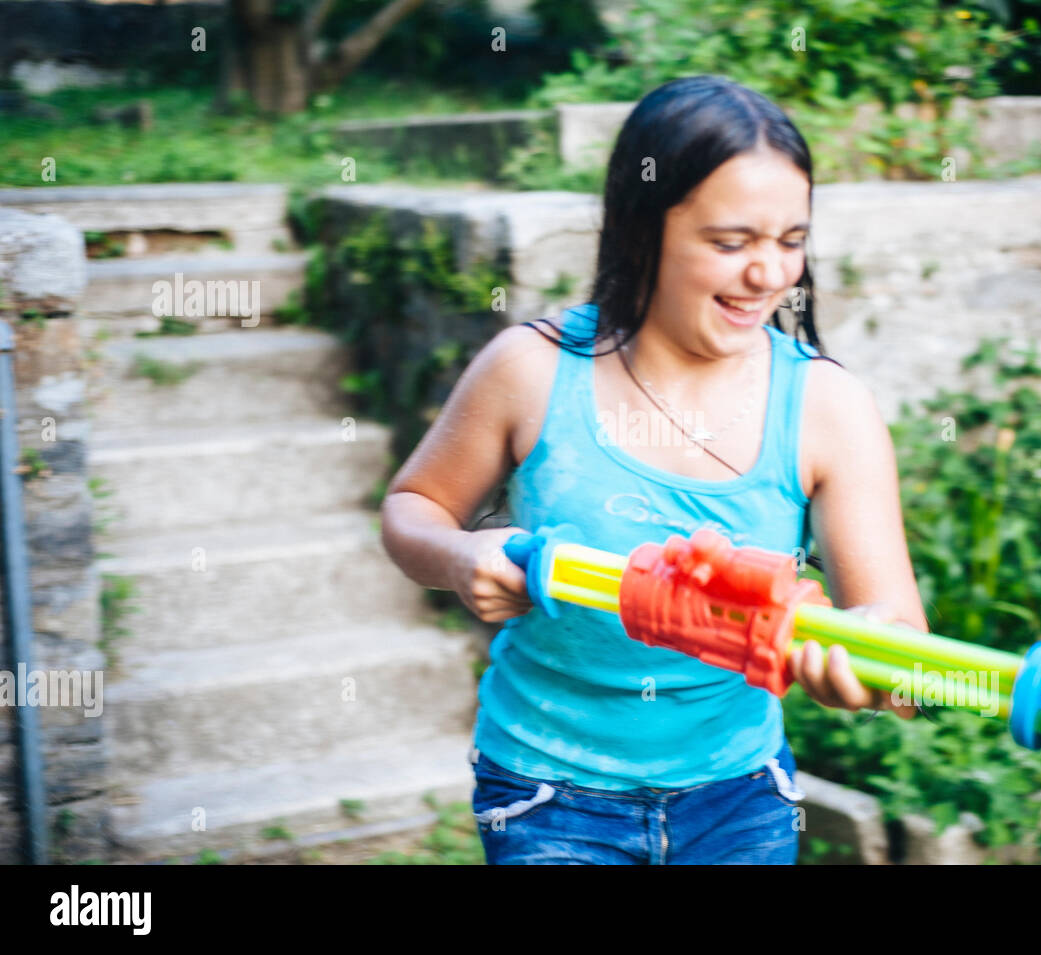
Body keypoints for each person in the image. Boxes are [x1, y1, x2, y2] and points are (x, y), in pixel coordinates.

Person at [380, 75, 928, 865]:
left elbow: (900, 640)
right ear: (644, 228)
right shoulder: (530, 371)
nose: (770, 275)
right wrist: (460, 554)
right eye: (731, 242)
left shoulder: (827, 407)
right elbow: (412, 507)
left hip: (741, 798)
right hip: (548, 795)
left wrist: (877, 671)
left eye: (791, 240)